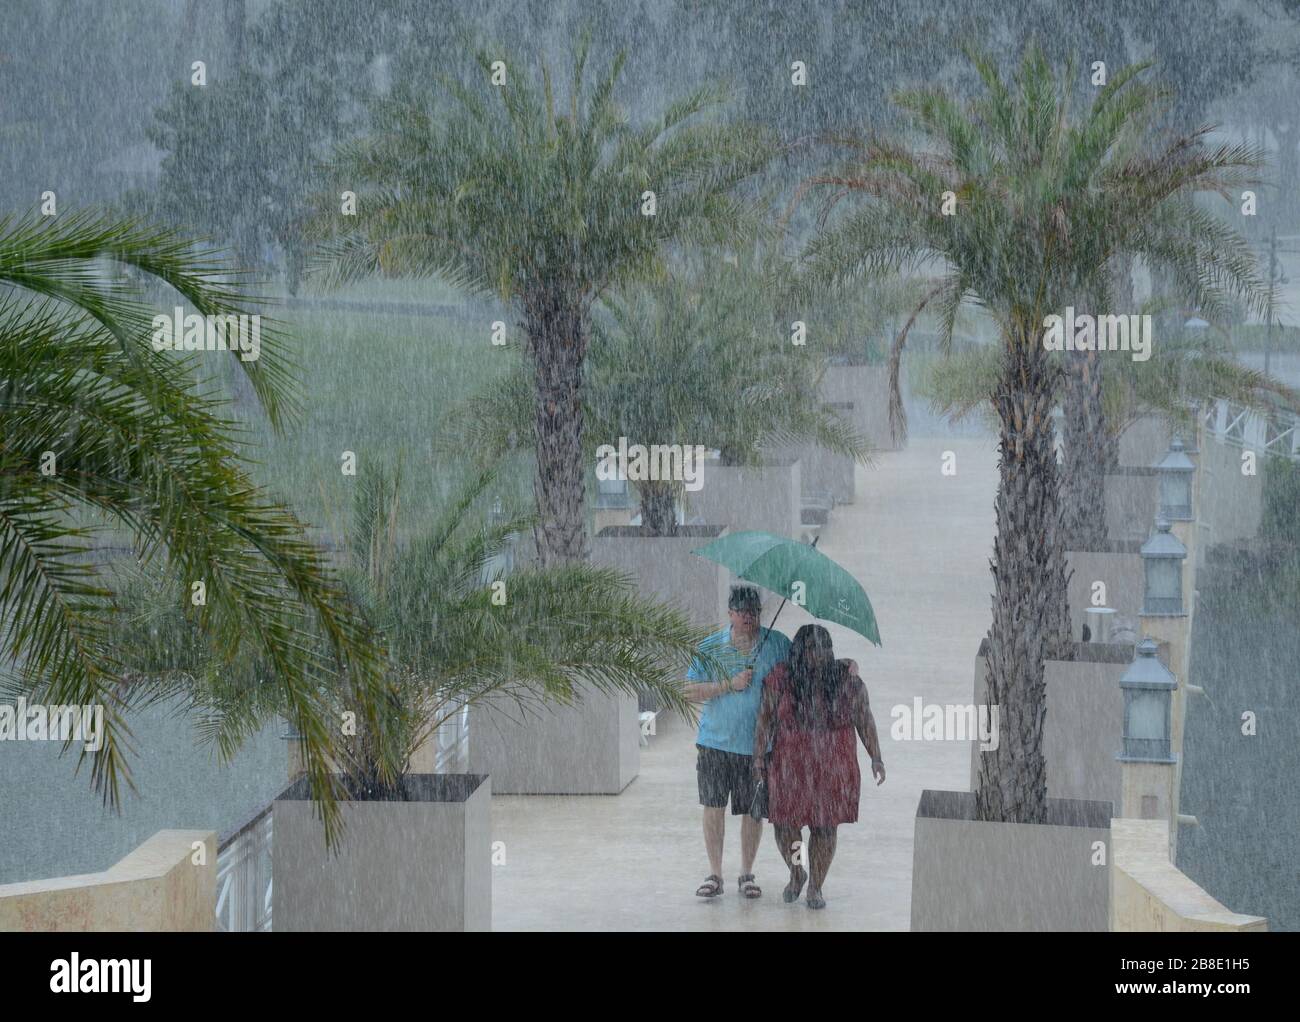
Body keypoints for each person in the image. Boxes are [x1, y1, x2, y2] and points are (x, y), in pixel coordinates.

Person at [753, 623, 885, 909]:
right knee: (786, 826)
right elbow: (765, 719)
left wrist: (876, 756)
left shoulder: (847, 680)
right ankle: (798, 871)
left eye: (826, 647)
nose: (821, 654)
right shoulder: (781, 678)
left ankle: (815, 886)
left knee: (825, 828)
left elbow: (865, 718)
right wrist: (758, 757)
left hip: (833, 767)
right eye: (813, 647)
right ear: (800, 650)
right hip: (790, 766)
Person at [683, 585, 790, 899]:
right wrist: (728, 685)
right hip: (715, 742)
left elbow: (803, 669)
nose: (748, 618)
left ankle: (746, 873)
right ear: (730, 613)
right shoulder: (710, 647)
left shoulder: (777, 644)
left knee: (752, 811)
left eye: (753, 612)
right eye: (741, 612)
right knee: (713, 806)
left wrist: (845, 666)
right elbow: (689, 690)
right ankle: (715, 874)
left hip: (757, 748)